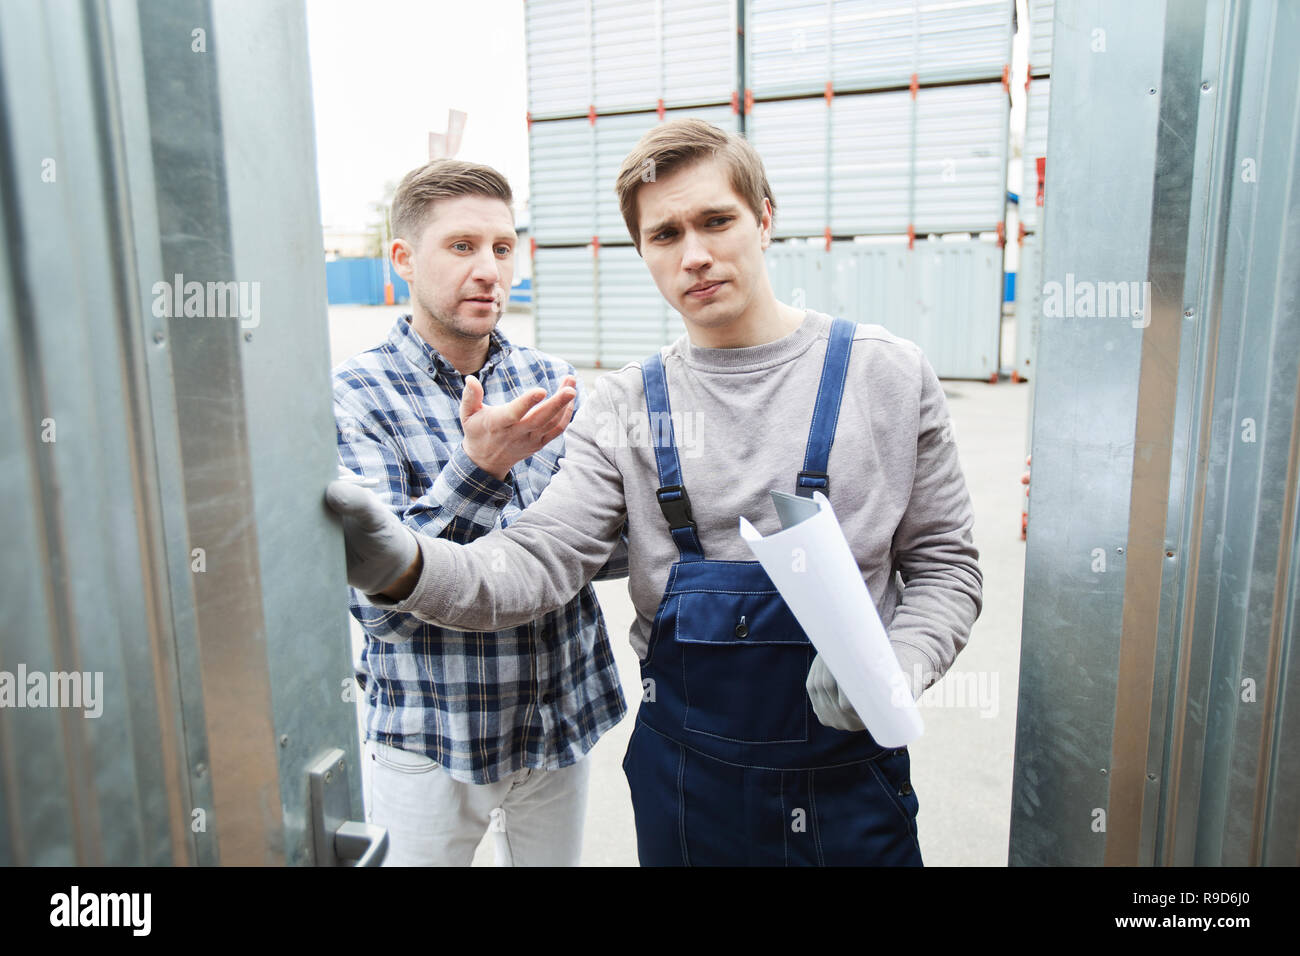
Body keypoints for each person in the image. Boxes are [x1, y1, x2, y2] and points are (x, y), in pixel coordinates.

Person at [327, 120, 983, 866]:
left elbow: (944, 567)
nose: (695, 254)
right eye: (665, 234)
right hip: (684, 791)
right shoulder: (624, 404)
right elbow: (541, 559)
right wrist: (406, 565)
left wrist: (899, 665)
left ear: (763, 219)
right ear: (643, 254)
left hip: (849, 778)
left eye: (716, 221)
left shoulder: (887, 376)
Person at [330, 158, 627, 866]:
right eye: (462, 246)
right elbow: (381, 606)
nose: (490, 269)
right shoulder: (353, 397)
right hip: (436, 739)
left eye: (501, 247)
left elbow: (588, 546)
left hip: (558, 722)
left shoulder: (545, 377)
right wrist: (479, 470)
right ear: (402, 258)